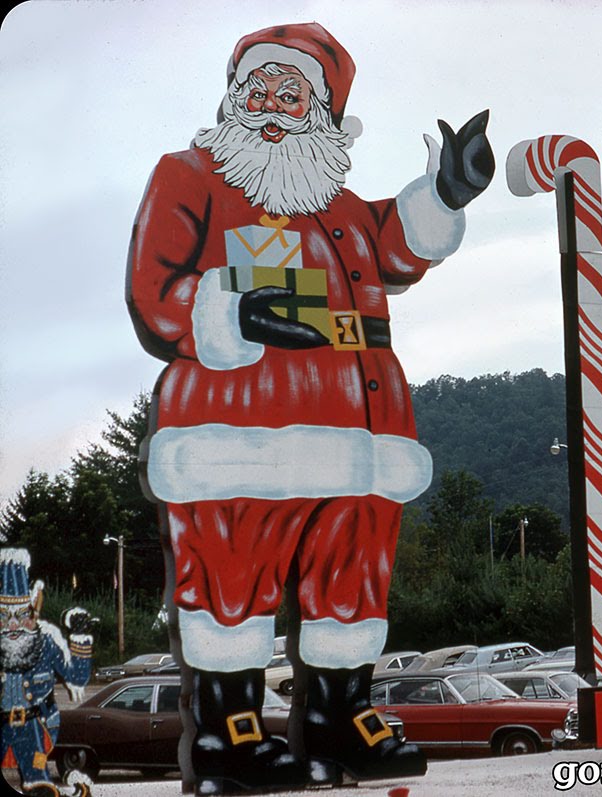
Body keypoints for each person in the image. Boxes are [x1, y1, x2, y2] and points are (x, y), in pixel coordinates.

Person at [126, 22, 493, 794]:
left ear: (323, 114)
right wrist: (231, 310)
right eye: (254, 88)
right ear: (229, 97)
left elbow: (395, 244)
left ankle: (337, 719)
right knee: (232, 574)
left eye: (289, 92)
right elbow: (155, 289)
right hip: (238, 428)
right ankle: (230, 733)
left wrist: (444, 196)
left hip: (363, 435)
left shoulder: (342, 207)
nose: (268, 104)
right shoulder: (190, 177)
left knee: (351, 579)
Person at [0, 549, 94, 797]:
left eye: (20, 615)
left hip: (34, 727)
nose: (12, 626)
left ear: (32, 612)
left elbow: (77, 678)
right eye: (3, 616)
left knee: (38, 785)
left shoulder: (47, 642)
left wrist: (79, 638)